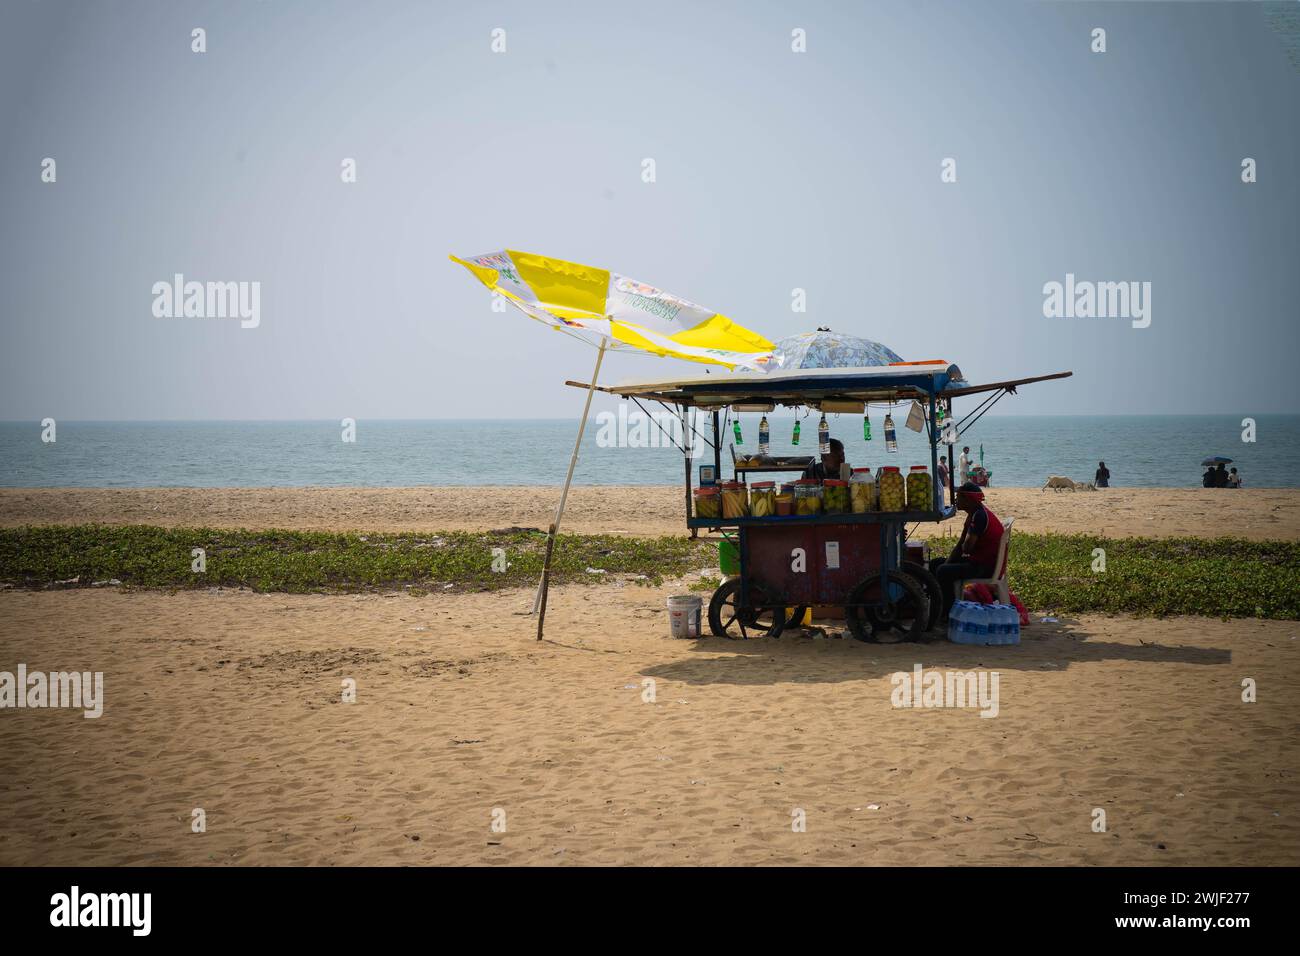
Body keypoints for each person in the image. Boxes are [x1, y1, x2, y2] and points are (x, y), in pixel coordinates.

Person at [928, 482, 1005, 620]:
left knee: (943, 571)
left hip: (985, 567)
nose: (956, 500)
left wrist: (952, 559)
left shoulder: (979, 517)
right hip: (980, 561)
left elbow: (966, 548)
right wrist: (948, 561)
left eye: (959, 497)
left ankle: (947, 612)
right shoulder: (975, 514)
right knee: (935, 563)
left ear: (968, 500)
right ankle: (938, 604)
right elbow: (961, 545)